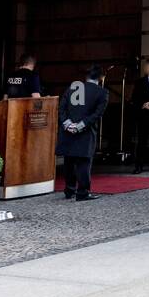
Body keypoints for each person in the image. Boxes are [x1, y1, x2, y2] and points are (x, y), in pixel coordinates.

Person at [57, 64, 109, 202]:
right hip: (86, 131)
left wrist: (67, 124)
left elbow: (62, 108)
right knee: (84, 162)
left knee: (69, 160)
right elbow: (97, 114)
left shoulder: (73, 88)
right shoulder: (102, 92)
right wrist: (81, 125)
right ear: (101, 78)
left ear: (86, 77)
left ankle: (69, 190)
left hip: (67, 130)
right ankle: (82, 192)